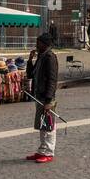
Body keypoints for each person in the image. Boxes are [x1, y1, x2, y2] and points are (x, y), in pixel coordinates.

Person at [26, 34, 59, 162]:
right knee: (42, 124)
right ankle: (42, 150)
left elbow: (52, 80)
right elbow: (30, 74)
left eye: (38, 43)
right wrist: (30, 60)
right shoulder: (41, 56)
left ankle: (49, 152)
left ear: (45, 44)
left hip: (47, 97)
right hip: (39, 95)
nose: (36, 45)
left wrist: (49, 100)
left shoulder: (50, 57)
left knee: (49, 125)